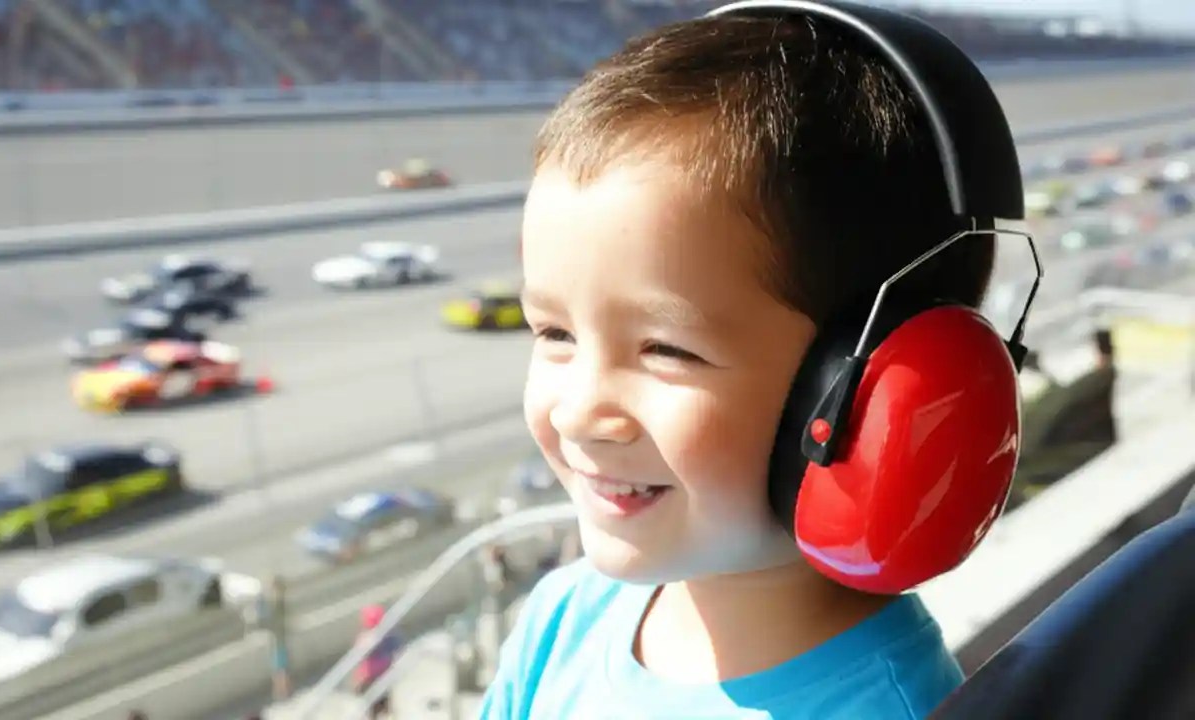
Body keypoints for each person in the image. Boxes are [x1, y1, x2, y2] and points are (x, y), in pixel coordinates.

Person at [481, 4, 1010, 719]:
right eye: (553, 333)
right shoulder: (565, 618)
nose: (577, 410)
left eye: (664, 349)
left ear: (867, 397)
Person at [353, 604, 401, 719]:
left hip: (375, 677)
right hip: (372, 678)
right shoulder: (368, 638)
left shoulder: (384, 636)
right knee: (377, 707)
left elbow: (396, 648)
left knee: (379, 707)